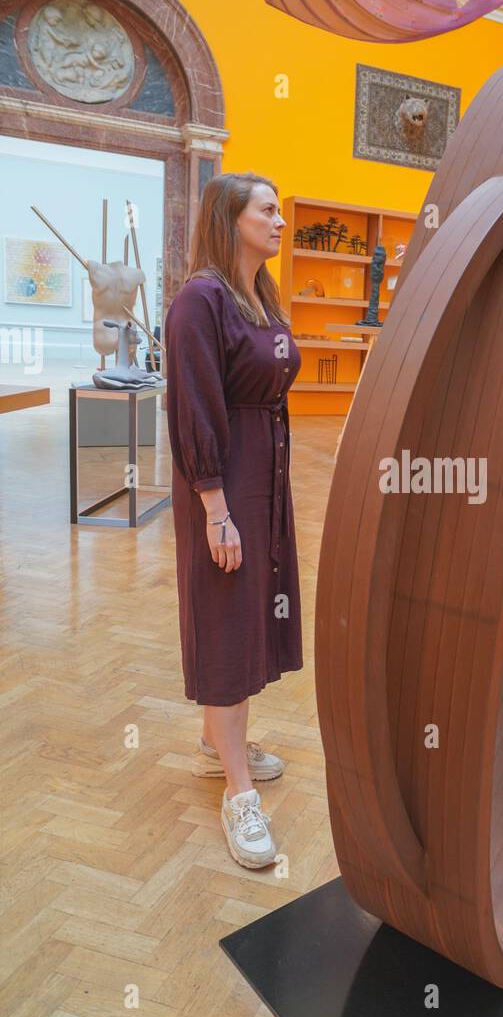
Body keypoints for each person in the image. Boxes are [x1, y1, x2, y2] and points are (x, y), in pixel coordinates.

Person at [164, 172, 302, 870]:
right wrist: (216, 509)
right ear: (231, 217)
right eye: (268, 210)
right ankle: (238, 791)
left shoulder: (258, 297)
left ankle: (217, 740)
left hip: (264, 482)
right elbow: (192, 407)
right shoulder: (200, 299)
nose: (281, 220)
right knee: (226, 620)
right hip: (225, 486)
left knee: (246, 618)